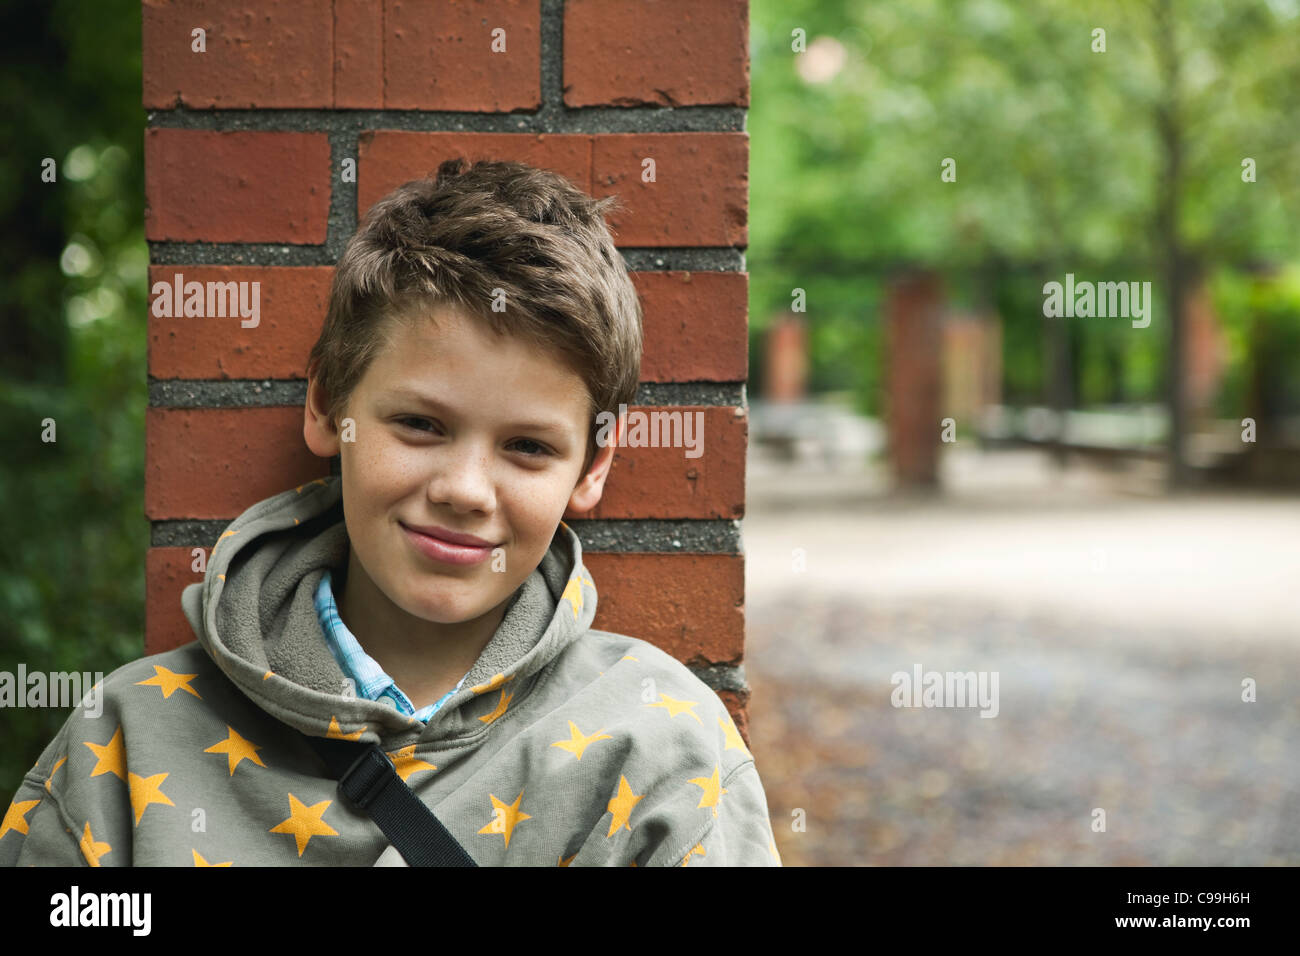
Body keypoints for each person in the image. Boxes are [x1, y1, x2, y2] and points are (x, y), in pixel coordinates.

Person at [1, 158, 782, 867]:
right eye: (420, 425)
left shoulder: (662, 744)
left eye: (528, 448)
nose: (465, 490)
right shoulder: (129, 742)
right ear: (325, 405)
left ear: (593, 466)